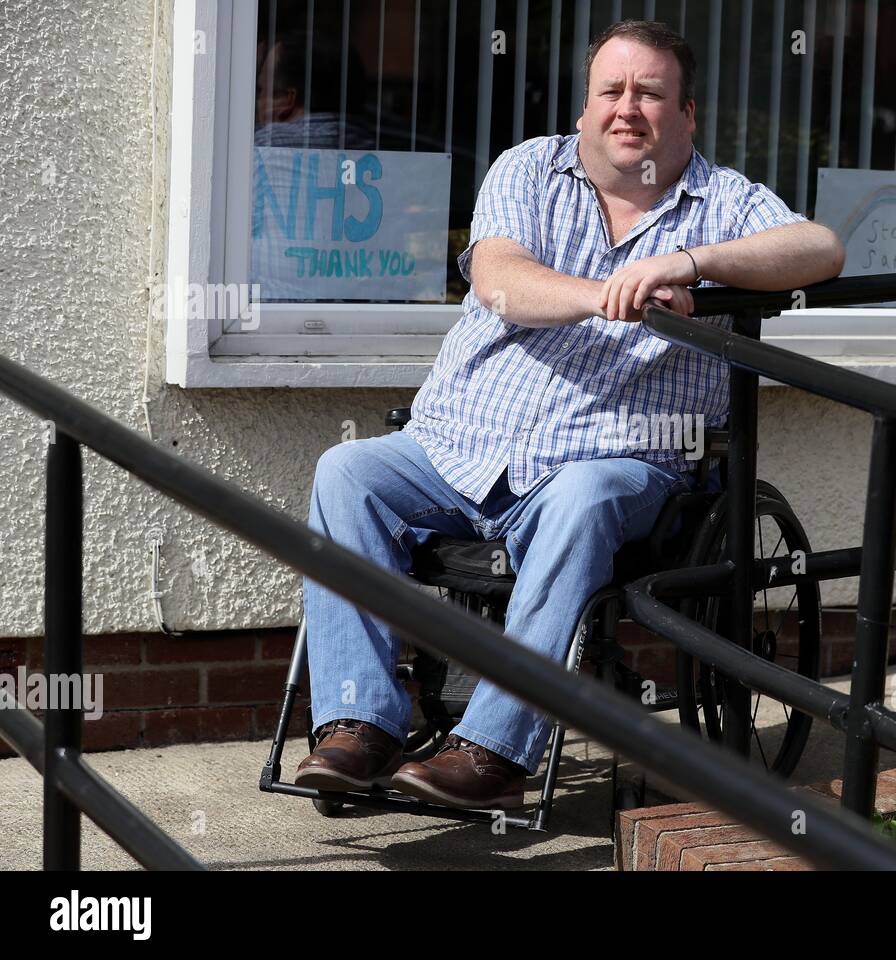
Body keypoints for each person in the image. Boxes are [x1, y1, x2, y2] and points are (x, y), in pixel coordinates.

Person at [294, 19, 845, 810]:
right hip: (461, 447)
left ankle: (491, 749)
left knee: (584, 497)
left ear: (687, 115)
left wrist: (690, 263)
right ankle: (358, 725)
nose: (628, 109)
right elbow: (500, 281)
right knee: (345, 471)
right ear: (585, 108)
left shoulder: (724, 203)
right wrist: (613, 296)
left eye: (651, 93)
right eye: (611, 91)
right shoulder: (529, 168)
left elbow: (820, 249)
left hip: (612, 461)